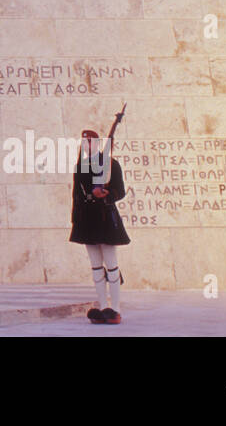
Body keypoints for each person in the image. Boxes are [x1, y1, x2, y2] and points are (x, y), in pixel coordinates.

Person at [70, 129, 129, 324]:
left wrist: (107, 194)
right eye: (84, 143)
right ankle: (103, 306)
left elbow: (120, 190)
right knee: (96, 265)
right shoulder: (81, 167)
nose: (87, 146)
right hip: (86, 218)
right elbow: (76, 196)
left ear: (97, 143)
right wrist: (75, 220)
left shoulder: (111, 165)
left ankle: (116, 308)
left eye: (91, 142)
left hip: (104, 216)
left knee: (111, 264)